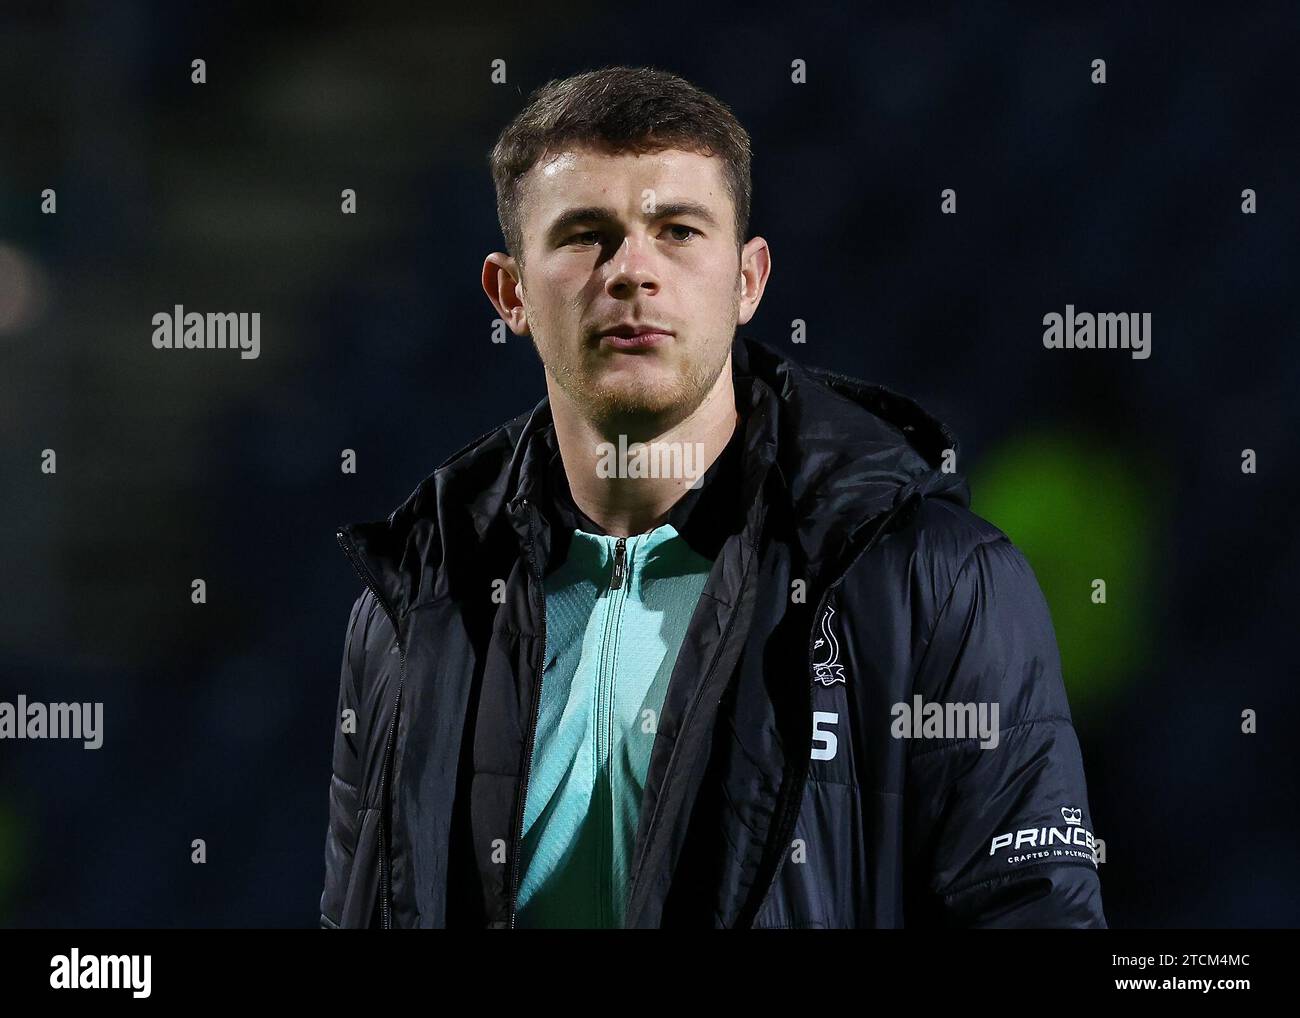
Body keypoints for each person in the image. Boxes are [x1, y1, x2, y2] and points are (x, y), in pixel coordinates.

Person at [320, 65, 1106, 929]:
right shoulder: (416, 602)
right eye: (586, 234)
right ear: (510, 293)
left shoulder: (934, 580)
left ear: (748, 280)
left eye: (678, 230)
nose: (633, 272)